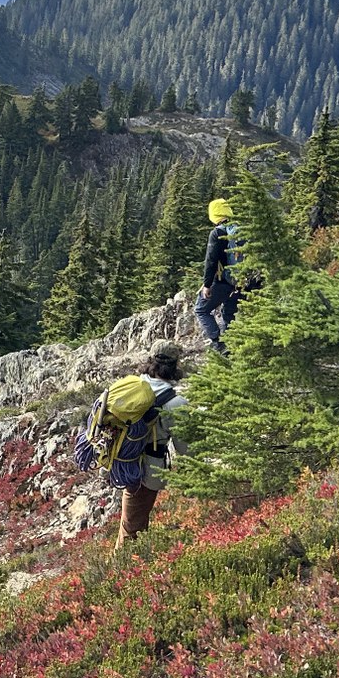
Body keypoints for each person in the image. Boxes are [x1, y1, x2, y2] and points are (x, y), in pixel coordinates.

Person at [75, 350, 188, 546]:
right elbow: (187, 448)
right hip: (147, 469)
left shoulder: (131, 386)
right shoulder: (175, 403)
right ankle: (124, 565)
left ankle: (131, 560)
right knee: (133, 524)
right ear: (175, 370)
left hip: (121, 461)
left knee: (133, 516)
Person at [197, 198, 243, 356]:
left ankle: (219, 343)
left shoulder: (217, 233)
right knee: (229, 313)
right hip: (241, 282)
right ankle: (232, 348)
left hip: (223, 281)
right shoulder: (241, 230)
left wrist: (207, 285)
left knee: (201, 310)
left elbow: (211, 261)